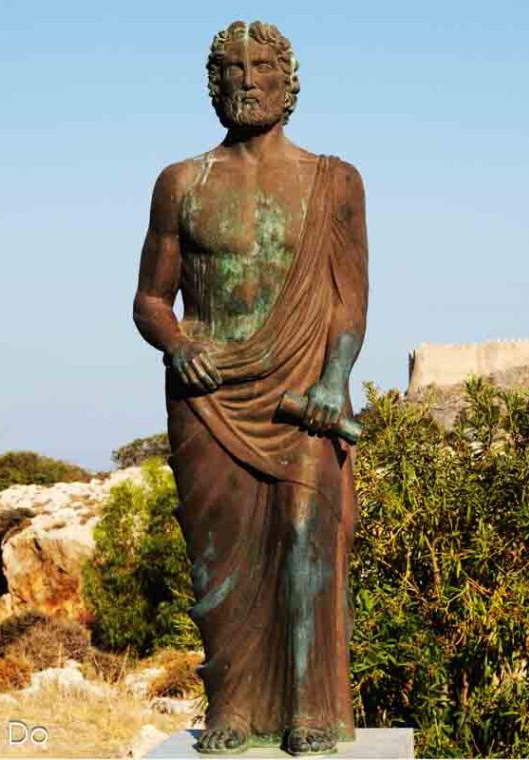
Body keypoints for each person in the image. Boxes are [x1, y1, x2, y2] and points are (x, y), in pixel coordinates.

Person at [132, 19, 367, 755]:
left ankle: (310, 709)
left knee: (305, 539)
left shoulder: (335, 181)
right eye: (231, 72)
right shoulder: (180, 183)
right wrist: (178, 347)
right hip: (208, 397)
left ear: (288, 83)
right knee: (221, 562)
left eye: (261, 69)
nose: (247, 83)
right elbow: (150, 301)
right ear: (213, 86)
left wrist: (334, 378)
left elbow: (349, 300)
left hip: (304, 392)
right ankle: (232, 706)